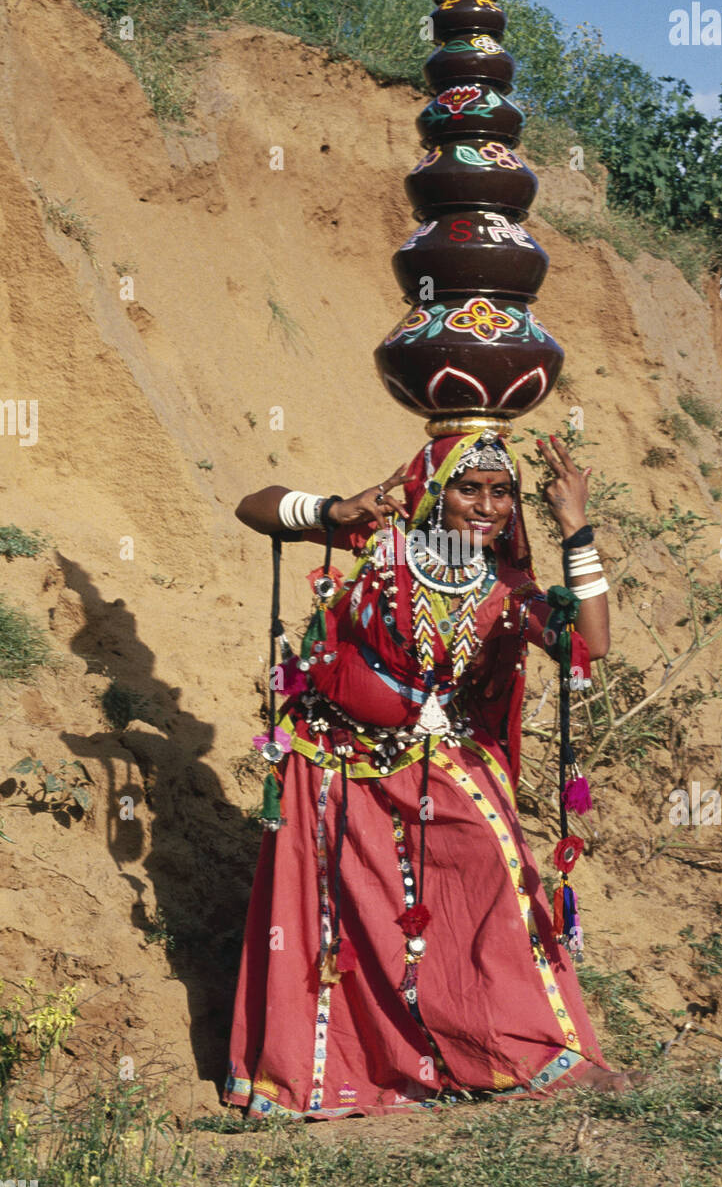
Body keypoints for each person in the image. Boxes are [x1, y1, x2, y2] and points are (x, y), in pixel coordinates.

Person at [223, 427, 635, 1120]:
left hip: (430, 752)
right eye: (469, 489)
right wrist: (332, 511)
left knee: (496, 867)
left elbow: (588, 645)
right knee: (341, 919)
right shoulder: (382, 543)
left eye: (501, 493)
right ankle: (342, 1071)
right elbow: (252, 507)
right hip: (328, 760)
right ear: (435, 494)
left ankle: (521, 1051)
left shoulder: (507, 588)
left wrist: (575, 526)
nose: (487, 507)